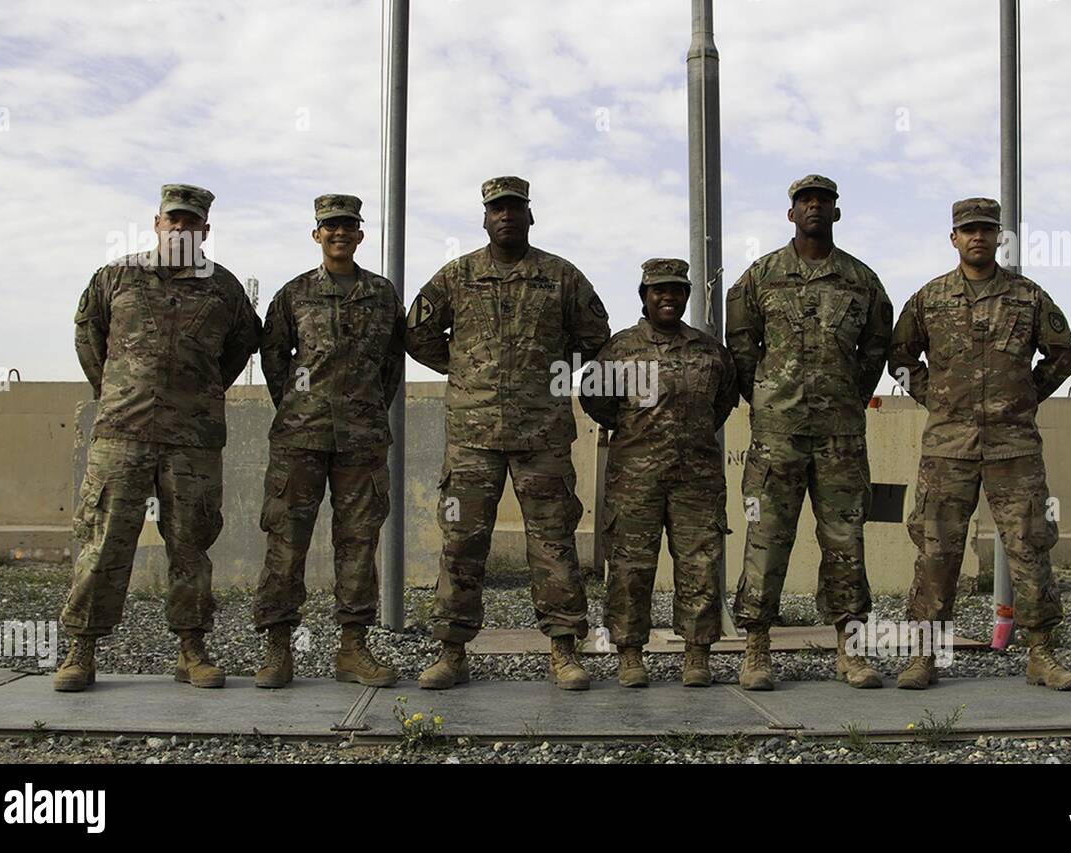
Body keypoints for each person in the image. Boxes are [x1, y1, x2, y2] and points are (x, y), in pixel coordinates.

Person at [405, 176, 611, 690]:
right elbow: (417, 333)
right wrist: (464, 369)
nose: (506, 217)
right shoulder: (458, 276)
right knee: (461, 543)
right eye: (497, 209)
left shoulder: (561, 277)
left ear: (529, 216)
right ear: (484, 217)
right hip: (472, 434)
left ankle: (564, 651)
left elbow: (595, 338)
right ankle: (452, 652)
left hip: (541, 432)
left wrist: (548, 373)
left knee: (553, 542)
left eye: (515, 208)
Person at [56, 183, 261, 691]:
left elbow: (238, 350)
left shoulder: (225, 290)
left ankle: (192, 648)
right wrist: (121, 390)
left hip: (193, 440)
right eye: (174, 219)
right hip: (123, 433)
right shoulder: (116, 276)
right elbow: (89, 337)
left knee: (191, 545)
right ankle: (81, 650)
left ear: (205, 230)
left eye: (192, 221)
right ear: (156, 222)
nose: (181, 228)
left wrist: (198, 393)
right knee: (103, 541)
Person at [887, 197, 1071, 691]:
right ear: (953, 238)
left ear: (999, 238)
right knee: (936, 549)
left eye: (986, 230)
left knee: (1029, 545)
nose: (978, 237)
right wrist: (936, 398)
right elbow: (900, 355)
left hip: (1013, 447)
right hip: (947, 447)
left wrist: (1023, 398)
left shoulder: (1028, 298)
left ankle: (1041, 653)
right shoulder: (929, 299)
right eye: (968, 230)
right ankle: (925, 655)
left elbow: (1064, 355)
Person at [724, 174, 894, 691]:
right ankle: (756, 650)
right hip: (777, 436)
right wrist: (770, 397)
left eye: (823, 201)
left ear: (836, 214)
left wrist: (844, 393)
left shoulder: (862, 282)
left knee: (846, 540)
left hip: (841, 435)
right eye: (805, 201)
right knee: (767, 540)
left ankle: (851, 650)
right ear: (791, 213)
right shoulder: (760, 278)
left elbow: (876, 350)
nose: (815, 207)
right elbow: (741, 348)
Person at [252, 194, 406, 689]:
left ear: (360, 235)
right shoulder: (294, 294)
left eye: (348, 226)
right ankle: (278, 649)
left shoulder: (383, 295)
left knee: (359, 542)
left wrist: (365, 408)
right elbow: (274, 357)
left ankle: (353, 650)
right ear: (316, 234)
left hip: (362, 440)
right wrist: (300, 405)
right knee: (285, 539)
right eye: (329, 226)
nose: (339, 233)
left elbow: (391, 366)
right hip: (300, 438)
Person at [581, 258, 737, 687]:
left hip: (697, 480)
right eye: (659, 291)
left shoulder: (709, 351)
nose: (669, 297)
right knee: (631, 567)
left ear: (686, 296)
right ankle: (630, 654)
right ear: (644, 297)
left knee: (700, 565)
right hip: (635, 478)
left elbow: (721, 403)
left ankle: (697, 654)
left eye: (677, 290)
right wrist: (637, 431)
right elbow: (596, 400)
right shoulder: (620, 349)